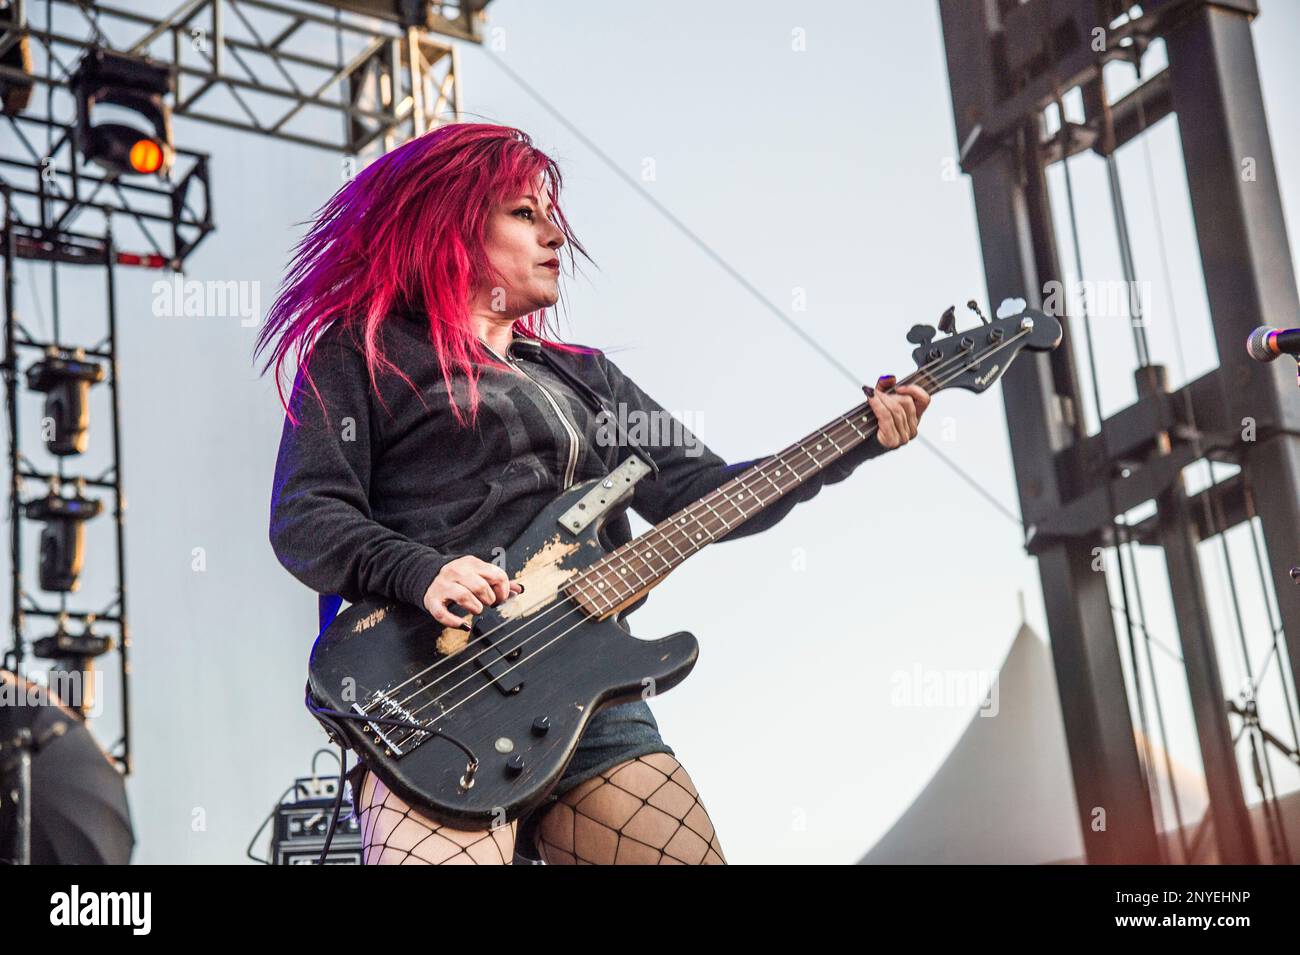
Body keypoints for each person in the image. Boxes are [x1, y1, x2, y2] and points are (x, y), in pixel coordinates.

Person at [257, 123, 929, 865]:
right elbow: (307, 515)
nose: (556, 237)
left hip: (586, 694)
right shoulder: (366, 349)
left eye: (552, 217)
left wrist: (856, 437)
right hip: (430, 692)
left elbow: (703, 492)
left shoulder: (586, 376)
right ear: (451, 227)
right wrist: (420, 570)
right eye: (524, 214)